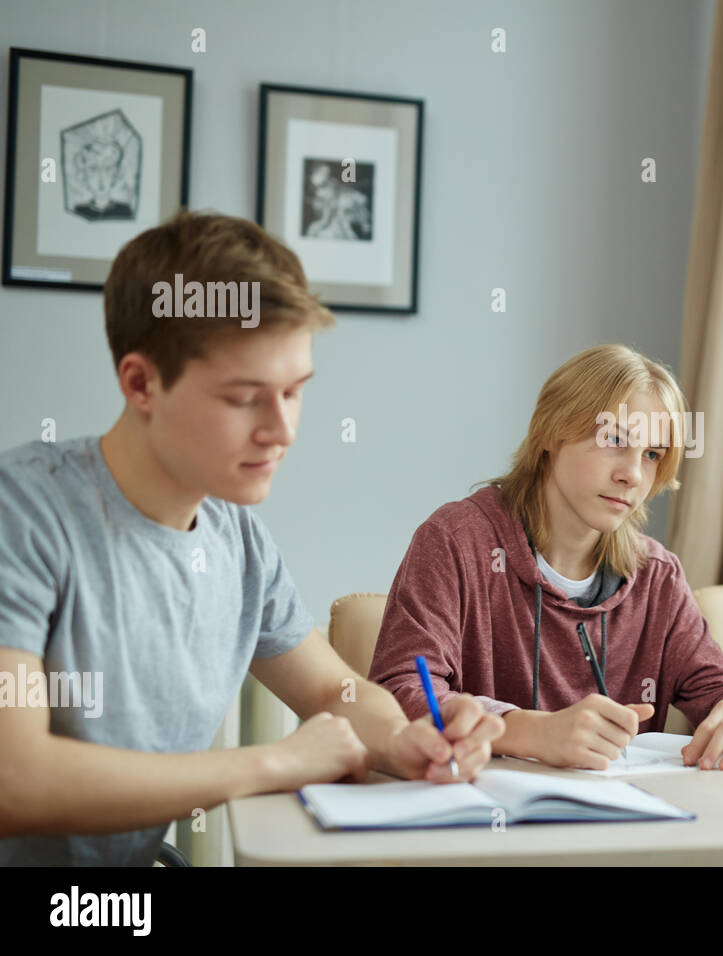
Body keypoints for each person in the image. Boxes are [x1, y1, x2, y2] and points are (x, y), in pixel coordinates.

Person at [0, 211, 502, 865]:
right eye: (245, 399)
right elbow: (17, 779)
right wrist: (274, 762)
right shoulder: (24, 513)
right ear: (140, 382)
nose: (283, 429)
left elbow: (331, 692)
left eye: (294, 392)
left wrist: (403, 740)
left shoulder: (238, 541)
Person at [370, 344, 723, 772]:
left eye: (652, 455)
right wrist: (532, 732)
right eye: (614, 440)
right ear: (551, 435)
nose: (632, 474)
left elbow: (721, 689)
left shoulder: (655, 576)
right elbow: (397, 694)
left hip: (623, 825)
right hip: (483, 818)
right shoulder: (457, 540)